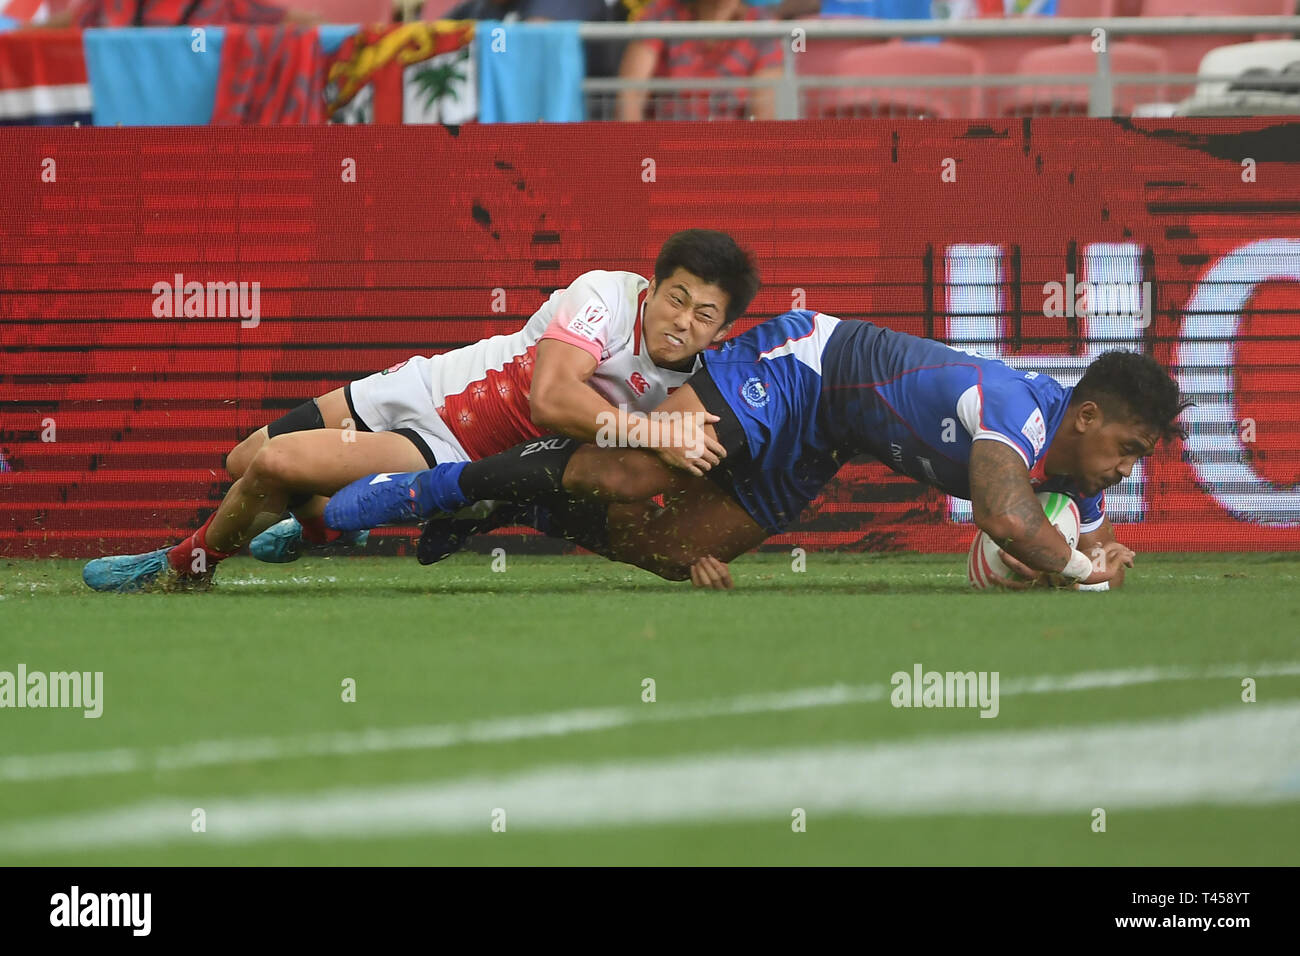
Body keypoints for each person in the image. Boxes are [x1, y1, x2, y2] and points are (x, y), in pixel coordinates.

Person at [81, 229, 759, 592]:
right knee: (244, 463)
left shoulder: (698, 387)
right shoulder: (607, 295)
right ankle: (325, 527)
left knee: (275, 462)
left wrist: (680, 556)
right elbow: (550, 397)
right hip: (433, 382)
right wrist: (643, 428)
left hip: (457, 451)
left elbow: (637, 487)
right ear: (653, 286)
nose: (681, 322)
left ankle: (182, 569)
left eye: (704, 315)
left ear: (721, 329)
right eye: (675, 298)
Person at [326, 310, 1189, 590]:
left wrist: (1086, 547)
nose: (1125, 470)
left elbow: (1048, 532)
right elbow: (1004, 519)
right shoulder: (1016, 410)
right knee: (628, 470)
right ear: (1087, 417)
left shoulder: (1073, 469)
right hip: (805, 367)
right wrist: (1081, 571)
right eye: (1129, 448)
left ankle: (512, 501)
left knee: (675, 552)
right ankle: (438, 488)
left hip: (831, 433)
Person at [616, 0, 783, 121]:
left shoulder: (762, 27)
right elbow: (630, 93)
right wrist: (637, 155)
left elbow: (765, 112)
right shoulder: (662, 13)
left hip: (729, 154)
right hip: (664, 150)